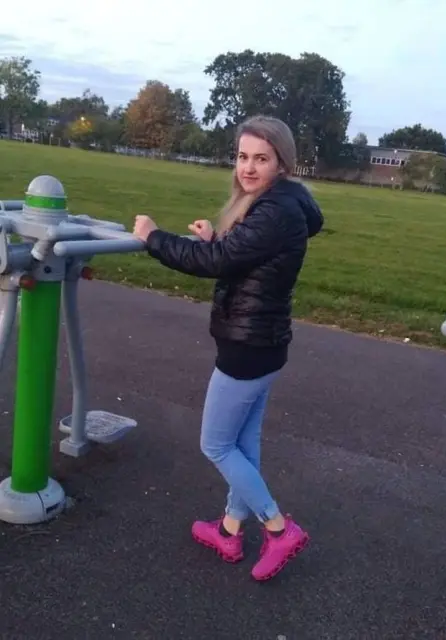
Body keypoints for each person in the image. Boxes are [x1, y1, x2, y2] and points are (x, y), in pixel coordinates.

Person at [132, 115, 324, 581]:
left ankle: (278, 529)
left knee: (216, 444)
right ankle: (229, 530)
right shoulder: (283, 204)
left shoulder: (274, 210)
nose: (248, 168)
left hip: (247, 345)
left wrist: (153, 237)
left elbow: (215, 263)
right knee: (243, 442)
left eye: (261, 158)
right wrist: (217, 239)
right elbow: (242, 256)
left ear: (282, 163)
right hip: (265, 342)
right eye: (242, 157)